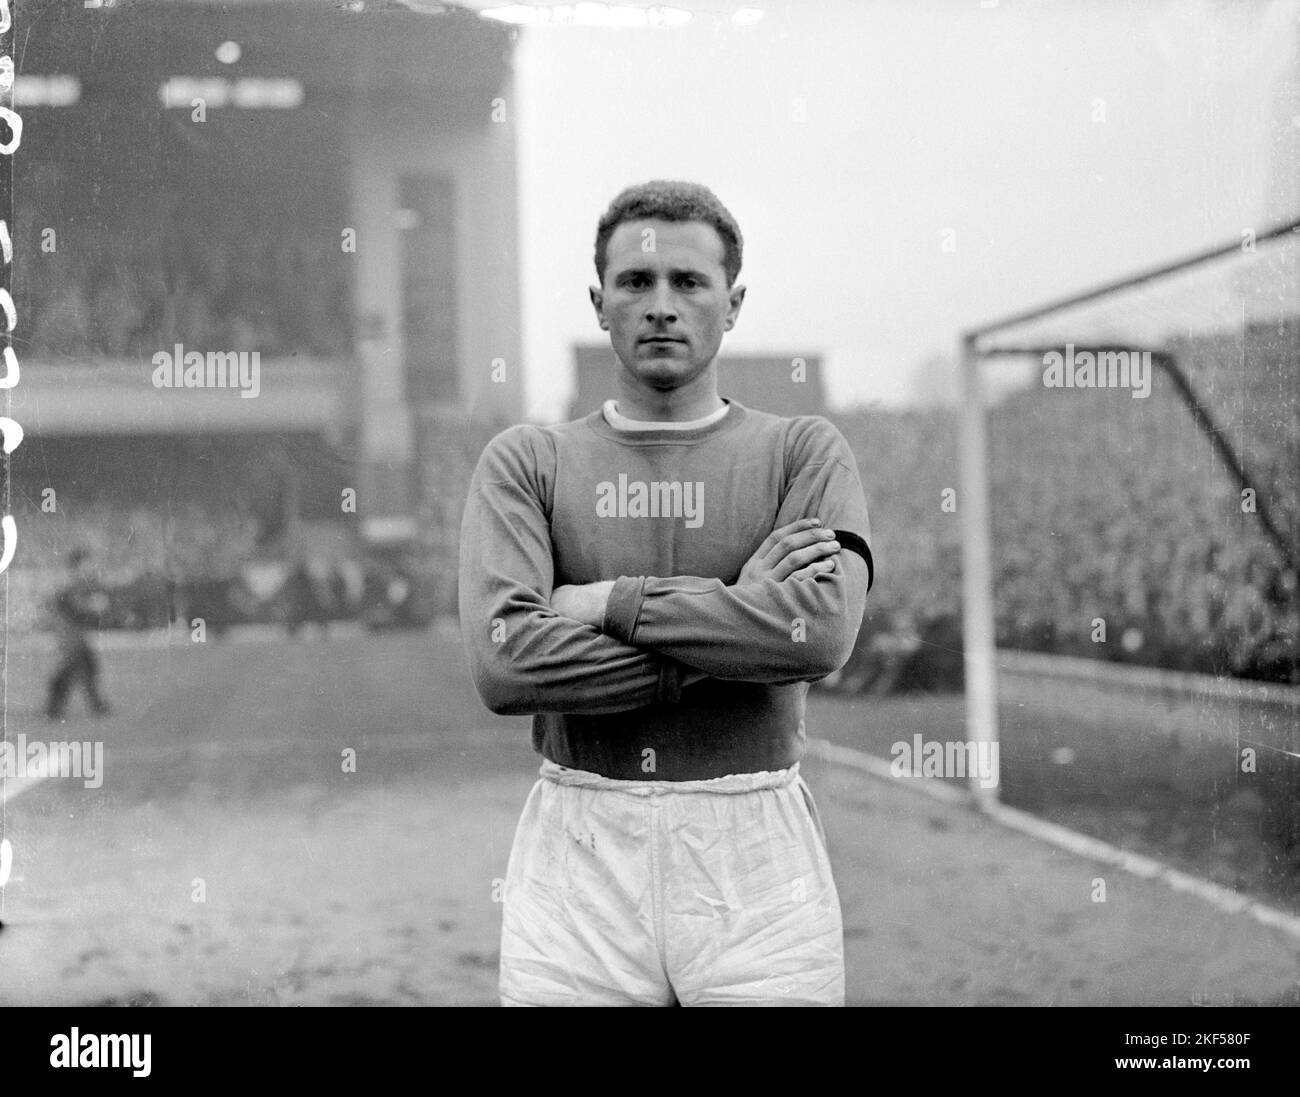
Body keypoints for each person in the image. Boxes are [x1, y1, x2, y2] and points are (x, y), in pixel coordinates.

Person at [459, 180, 874, 1006]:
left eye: (688, 282)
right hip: (580, 846)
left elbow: (817, 636)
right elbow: (508, 666)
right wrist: (735, 631)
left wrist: (610, 601)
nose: (660, 305)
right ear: (599, 303)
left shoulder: (802, 453)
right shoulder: (527, 460)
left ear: (734, 302)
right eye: (635, 284)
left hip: (754, 851)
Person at [46, 547, 112, 720]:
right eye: (87, 564)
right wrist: (93, 606)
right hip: (69, 634)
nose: (90, 567)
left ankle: (96, 704)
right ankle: (55, 708)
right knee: (72, 669)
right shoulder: (71, 584)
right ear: (78, 565)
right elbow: (73, 609)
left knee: (86, 667)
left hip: (75, 634)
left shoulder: (78, 583)